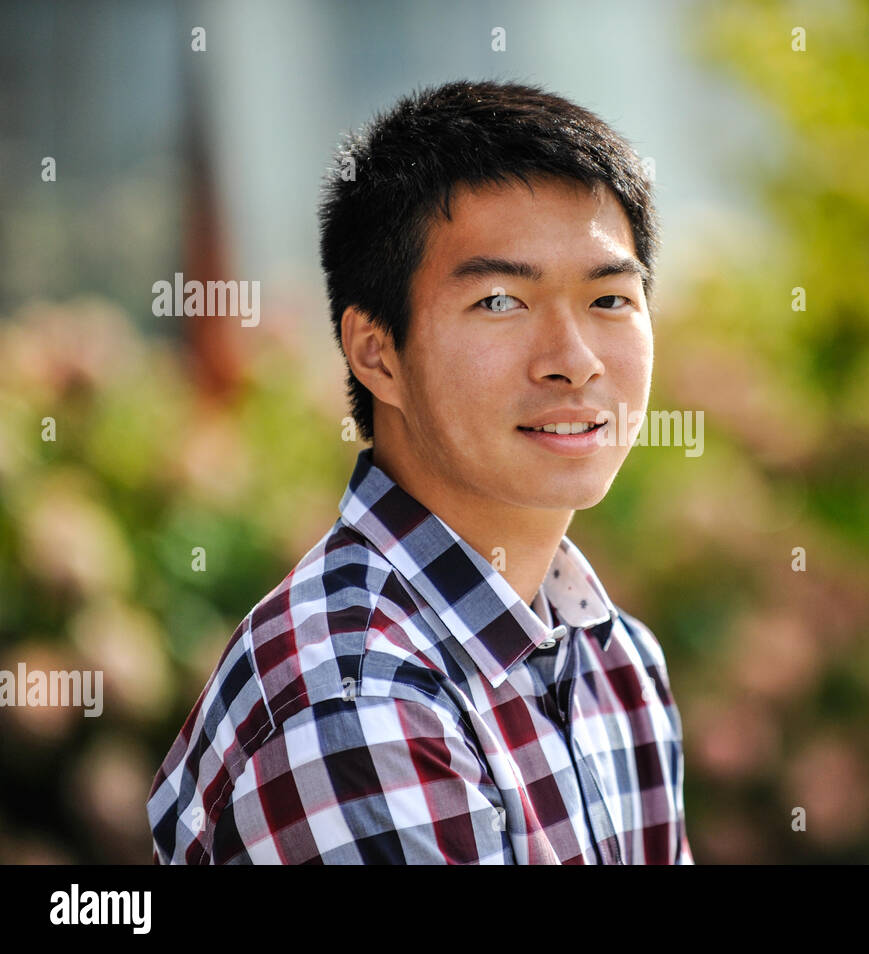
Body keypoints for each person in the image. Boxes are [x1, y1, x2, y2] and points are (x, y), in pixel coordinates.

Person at [146, 79, 692, 864]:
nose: (574, 363)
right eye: (502, 302)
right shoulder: (359, 701)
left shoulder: (616, 662)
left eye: (610, 300)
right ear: (378, 354)